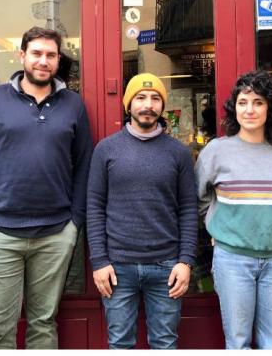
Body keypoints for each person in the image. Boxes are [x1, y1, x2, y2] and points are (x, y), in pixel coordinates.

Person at [0, 26, 93, 349]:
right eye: (36, 53)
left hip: (55, 235)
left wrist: (74, 222)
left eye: (50, 55)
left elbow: (84, 166)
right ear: (21, 56)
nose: (43, 61)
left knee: (44, 325)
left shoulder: (73, 105)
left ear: (58, 60)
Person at [195, 70, 272, 349]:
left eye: (258, 102)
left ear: (270, 108)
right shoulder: (216, 151)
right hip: (232, 259)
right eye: (243, 102)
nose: (250, 110)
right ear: (234, 108)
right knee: (238, 343)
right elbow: (198, 198)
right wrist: (216, 224)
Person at [86, 73, 197, 349]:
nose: (148, 104)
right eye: (140, 97)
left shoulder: (178, 153)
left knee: (165, 344)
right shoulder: (106, 149)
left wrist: (185, 261)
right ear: (128, 104)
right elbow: (95, 207)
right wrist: (99, 261)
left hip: (166, 267)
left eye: (155, 98)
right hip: (117, 267)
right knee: (120, 344)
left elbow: (188, 209)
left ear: (162, 106)